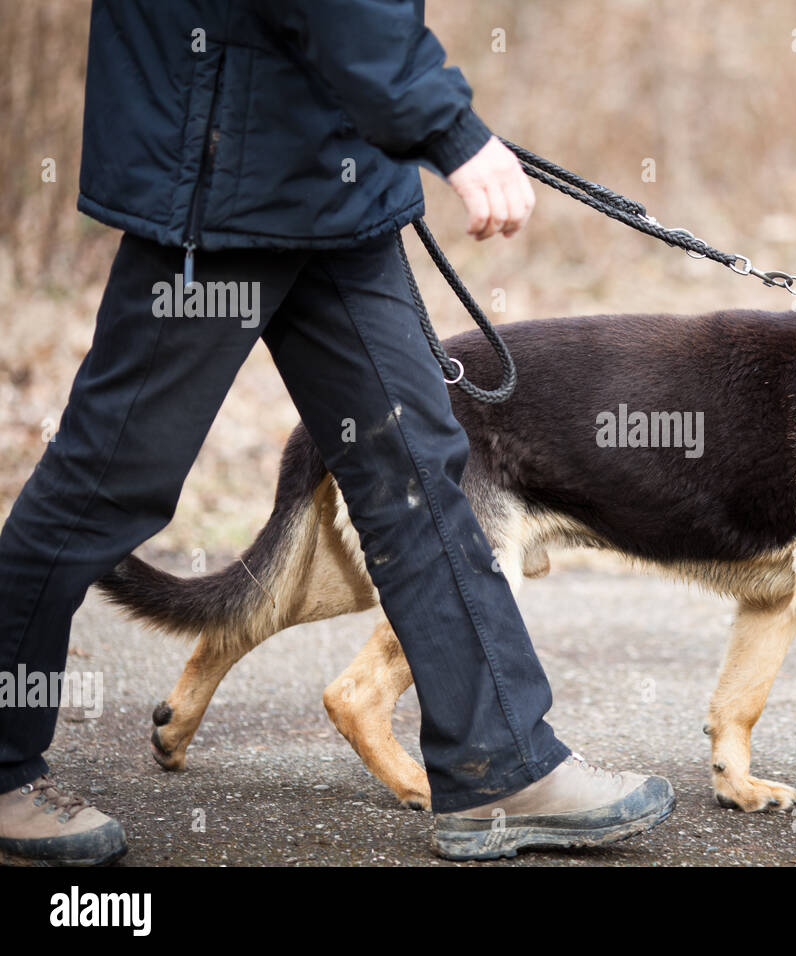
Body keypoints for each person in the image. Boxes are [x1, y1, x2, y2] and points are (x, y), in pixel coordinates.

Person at [0, 0, 674, 865]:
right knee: (110, 478)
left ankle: (502, 765)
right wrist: (453, 131)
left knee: (417, 472)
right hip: (227, 172)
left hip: (333, 181)